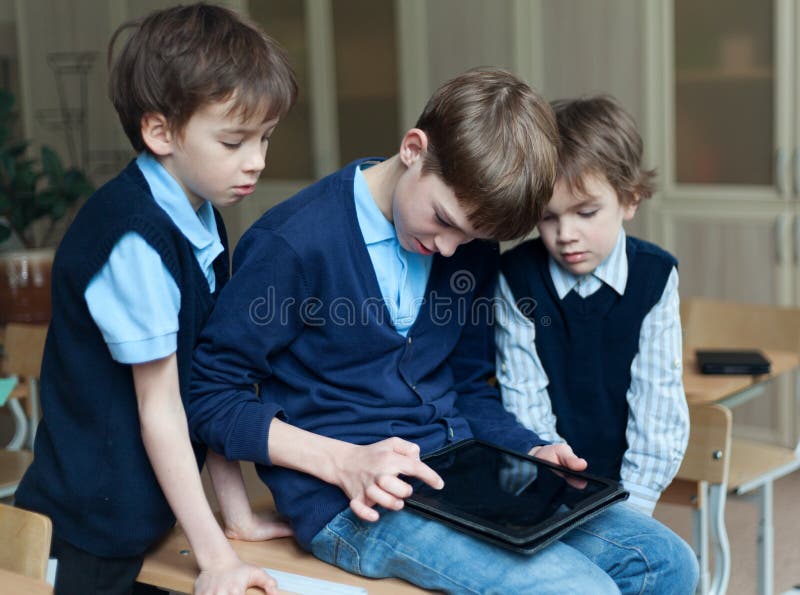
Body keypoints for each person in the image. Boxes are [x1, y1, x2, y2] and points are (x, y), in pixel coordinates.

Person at [186, 70, 698, 594]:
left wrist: (530, 449)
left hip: (462, 471)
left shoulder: (471, 247)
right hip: (352, 504)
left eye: (471, 235)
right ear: (413, 150)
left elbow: (469, 388)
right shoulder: (294, 243)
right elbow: (208, 397)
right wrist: (343, 461)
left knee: (664, 560)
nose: (451, 249)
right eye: (443, 219)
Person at [15, 4, 297, 594]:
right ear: (161, 131)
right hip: (85, 528)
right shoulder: (133, 241)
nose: (258, 162)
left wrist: (236, 515)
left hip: (145, 518)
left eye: (265, 138)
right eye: (234, 141)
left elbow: (206, 380)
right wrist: (217, 559)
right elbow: (163, 409)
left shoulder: (202, 218)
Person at [495, 94, 689, 516]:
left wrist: (632, 507)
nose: (566, 234)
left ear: (630, 198)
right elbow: (524, 403)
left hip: (627, 488)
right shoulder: (516, 277)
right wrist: (548, 485)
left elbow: (658, 409)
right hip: (536, 483)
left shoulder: (654, 278)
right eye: (548, 217)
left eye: (585, 212)